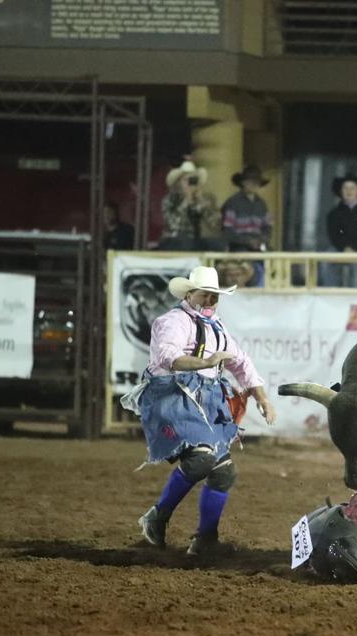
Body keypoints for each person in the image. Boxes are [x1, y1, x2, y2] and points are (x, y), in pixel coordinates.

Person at [122, 265, 276, 557]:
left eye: (213, 298)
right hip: (171, 396)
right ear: (190, 294)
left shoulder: (217, 328)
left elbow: (241, 362)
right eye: (205, 296)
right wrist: (206, 363)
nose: (209, 302)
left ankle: (205, 538)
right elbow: (168, 357)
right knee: (202, 459)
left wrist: (262, 398)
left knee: (223, 471)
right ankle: (157, 516)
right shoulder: (172, 322)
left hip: (204, 400)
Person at [221, 165, 272, 286]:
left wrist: (261, 240)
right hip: (239, 248)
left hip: (259, 248)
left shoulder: (262, 205)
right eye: (250, 181)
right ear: (243, 183)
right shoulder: (232, 203)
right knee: (246, 267)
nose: (253, 184)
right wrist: (248, 241)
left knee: (273, 261)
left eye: (256, 182)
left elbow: (268, 228)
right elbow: (227, 231)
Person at [159, 158, 222, 251]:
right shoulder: (169, 200)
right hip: (174, 240)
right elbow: (173, 225)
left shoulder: (206, 198)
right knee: (184, 242)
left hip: (197, 240)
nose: (190, 183)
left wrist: (204, 204)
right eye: (186, 180)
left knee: (217, 243)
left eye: (193, 180)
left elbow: (216, 224)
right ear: (178, 183)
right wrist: (186, 201)